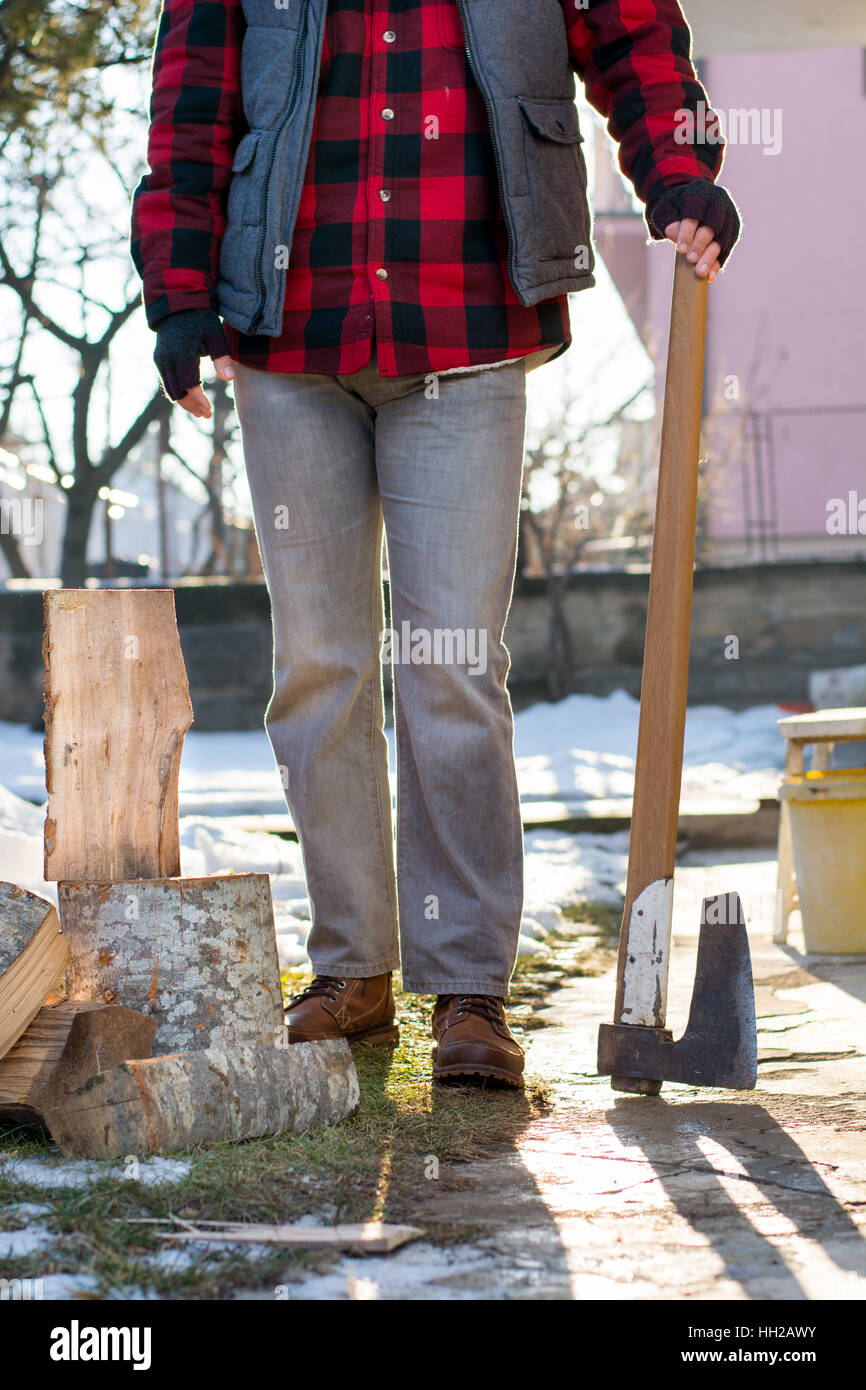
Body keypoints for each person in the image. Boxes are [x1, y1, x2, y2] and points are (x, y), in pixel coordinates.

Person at [131, 0, 740, 1090]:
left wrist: (675, 172)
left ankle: (468, 990)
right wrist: (177, 292)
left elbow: (633, 33)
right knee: (318, 667)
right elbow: (189, 103)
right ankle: (352, 969)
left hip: (466, 326)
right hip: (286, 332)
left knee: (452, 664)